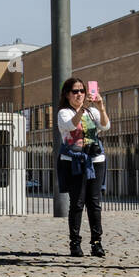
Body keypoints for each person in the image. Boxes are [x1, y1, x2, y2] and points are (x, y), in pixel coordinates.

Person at [56, 76, 113, 257]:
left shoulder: (92, 112)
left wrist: (101, 107)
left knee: (94, 203)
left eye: (82, 91)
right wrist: (80, 111)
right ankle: (75, 242)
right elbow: (71, 126)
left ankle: (96, 242)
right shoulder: (64, 113)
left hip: (95, 161)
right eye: (75, 91)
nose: (79, 94)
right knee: (78, 203)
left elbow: (105, 126)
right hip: (75, 162)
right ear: (67, 94)